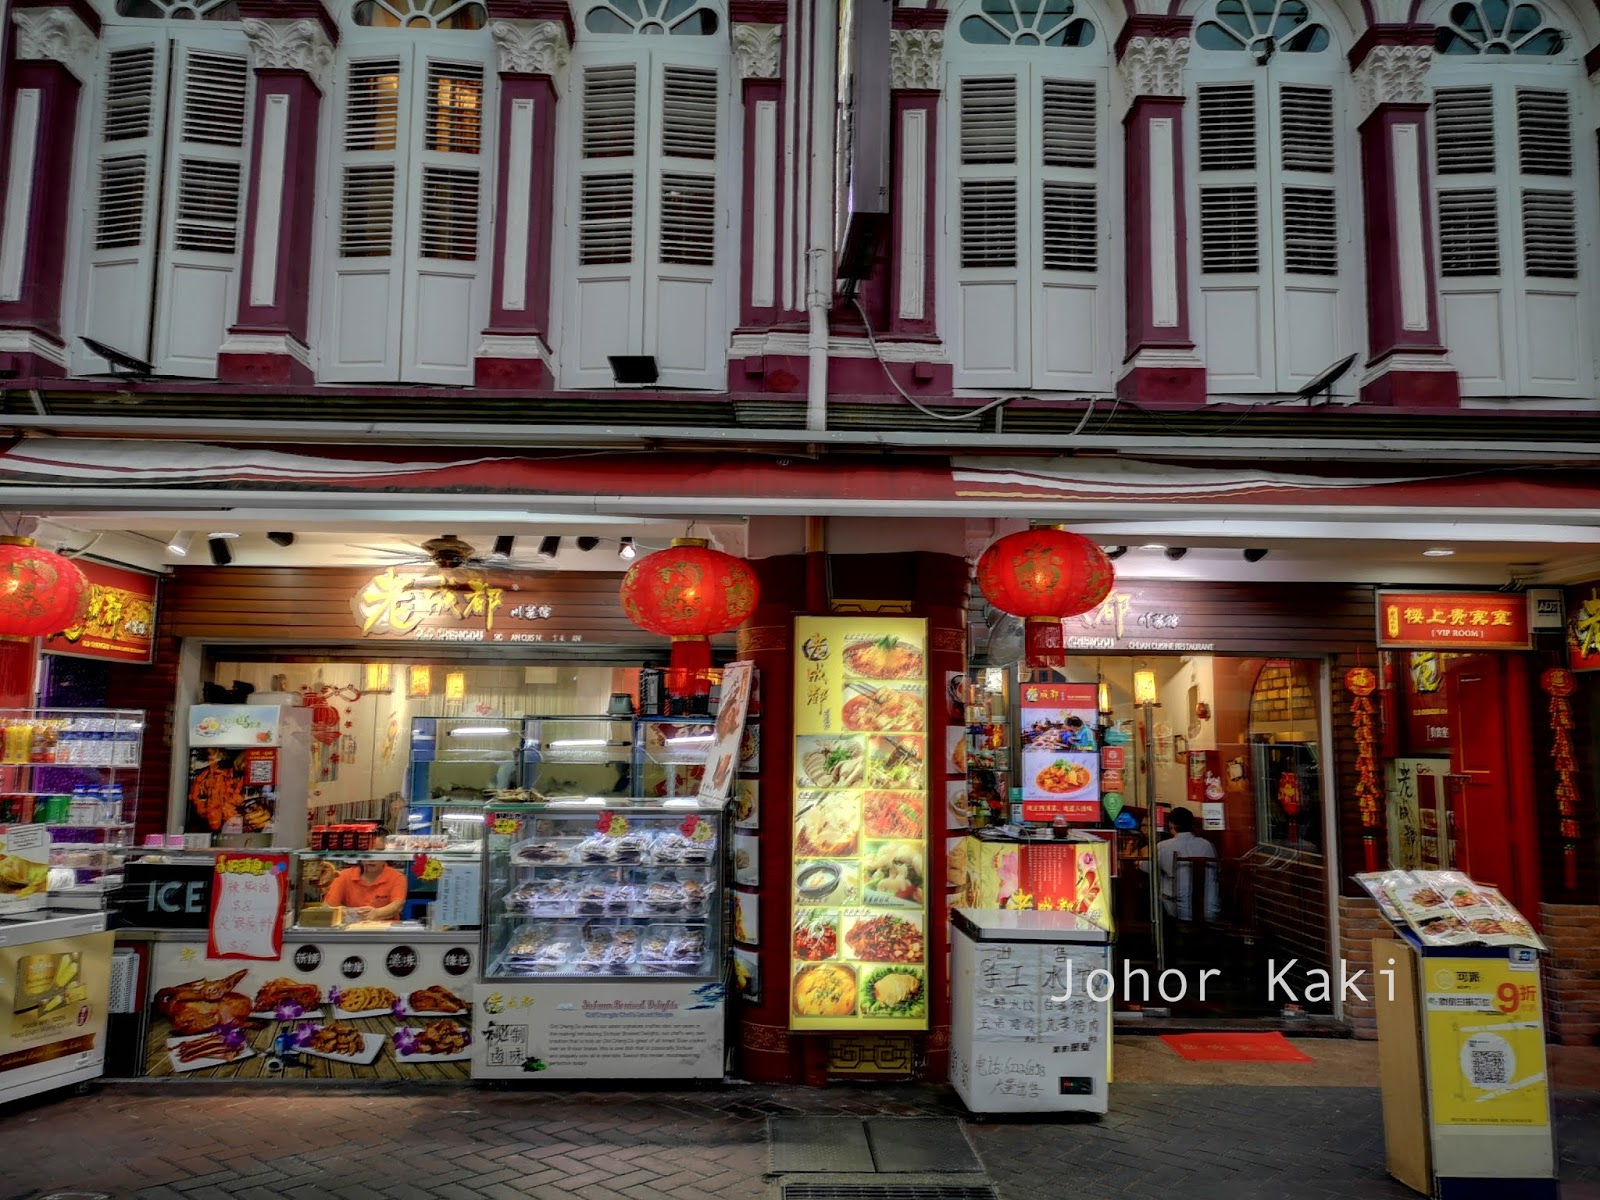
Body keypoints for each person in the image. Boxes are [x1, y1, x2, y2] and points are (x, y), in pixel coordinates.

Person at [1157, 807, 1220, 922]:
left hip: (1178, 913)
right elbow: (1217, 870)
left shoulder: (1163, 846)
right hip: (1211, 910)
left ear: (1171, 824)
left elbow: (1146, 867)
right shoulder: (1207, 845)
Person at [323, 858, 409, 922]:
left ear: (386, 857)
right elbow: (327, 908)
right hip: (350, 933)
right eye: (367, 855)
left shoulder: (397, 877)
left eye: (377, 855)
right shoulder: (344, 876)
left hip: (386, 934)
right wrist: (349, 913)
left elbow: (397, 906)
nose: (371, 860)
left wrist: (377, 913)